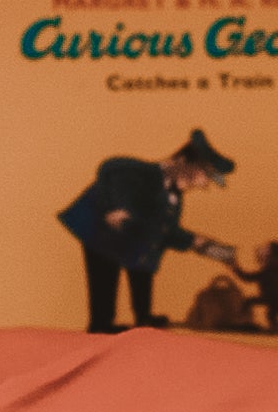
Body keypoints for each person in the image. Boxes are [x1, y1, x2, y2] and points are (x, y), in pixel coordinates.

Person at [55, 125, 236, 330]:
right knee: (106, 270)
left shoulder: (172, 199)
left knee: (144, 261)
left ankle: (143, 316)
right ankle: (101, 323)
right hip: (100, 232)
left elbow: (165, 233)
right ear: (182, 162)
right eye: (200, 176)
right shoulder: (146, 173)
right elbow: (110, 167)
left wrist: (199, 243)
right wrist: (118, 206)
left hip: (133, 237)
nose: (202, 185)